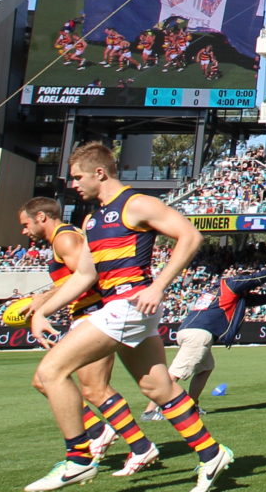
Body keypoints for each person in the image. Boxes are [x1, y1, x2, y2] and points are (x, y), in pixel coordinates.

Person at [22, 142, 233, 492]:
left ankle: (78, 458)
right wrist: (42, 310)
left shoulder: (136, 204)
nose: (73, 184)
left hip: (129, 305)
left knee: (50, 373)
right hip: (123, 308)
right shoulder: (92, 218)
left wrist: (158, 287)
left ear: (99, 173)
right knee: (158, 388)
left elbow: (191, 235)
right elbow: (85, 275)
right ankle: (212, 454)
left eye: (77, 177)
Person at [19, 195, 164, 476]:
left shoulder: (64, 239)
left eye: (25, 224)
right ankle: (104, 433)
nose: (24, 231)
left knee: (91, 388)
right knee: (47, 381)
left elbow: (90, 274)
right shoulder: (65, 238)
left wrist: (44, 300)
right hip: (86, 314)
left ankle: (137, 446)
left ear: (41, 218)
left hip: (92, 314)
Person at [169, 253, 266, 401]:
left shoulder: (221, 290)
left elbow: (251, 300)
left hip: (188, 329)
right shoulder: (232, 283)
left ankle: (192, 405)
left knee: (206, 368)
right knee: (175, 373)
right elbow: (255, 279)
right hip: (200, 333)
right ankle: (152, 410)